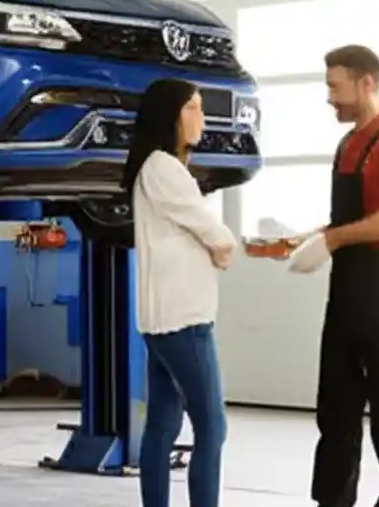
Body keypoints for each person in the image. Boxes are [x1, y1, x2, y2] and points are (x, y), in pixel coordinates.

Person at [288, 45, 379, 507]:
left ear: (366, 83)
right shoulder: (348, 144)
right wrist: (305, 239)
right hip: (347, 286)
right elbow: (350, 219)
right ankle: (332, 500)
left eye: (334, 85)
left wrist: (334, 241)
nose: (329, 97)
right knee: (337, 406)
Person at [122, 77, 236, 507]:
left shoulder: (157, 168)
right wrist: (224, 245)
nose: (200, 118)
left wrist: (217, 243)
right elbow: (214, 233)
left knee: (164, 424)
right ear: (170, 115)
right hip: (184, 319)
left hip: (165, 319)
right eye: (193, 108)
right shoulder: (163, 167)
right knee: (211, 425)